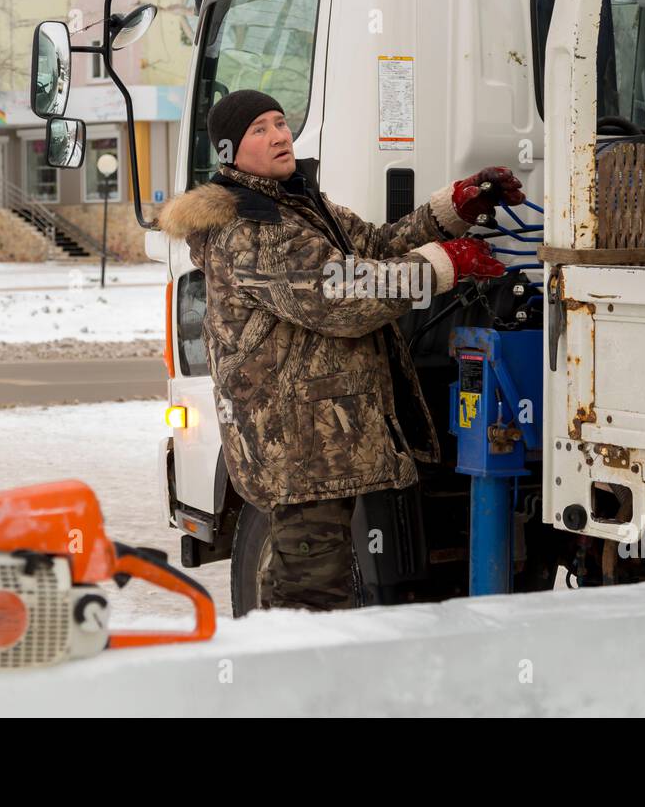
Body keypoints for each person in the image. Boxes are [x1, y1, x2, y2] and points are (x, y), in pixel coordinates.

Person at [157, 89, 525, 610]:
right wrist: (445, 265)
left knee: (311, 582)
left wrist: (455, 208)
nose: (279, 135)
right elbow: (343, 295)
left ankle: (299, 672)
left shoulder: (298, 203)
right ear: (228, 152)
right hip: (297, 441)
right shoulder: (248, 227)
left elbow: (376, 247)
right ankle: (295, 681)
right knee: (310, 590)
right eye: (259, 130)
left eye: (280, 122)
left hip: (322, 433)